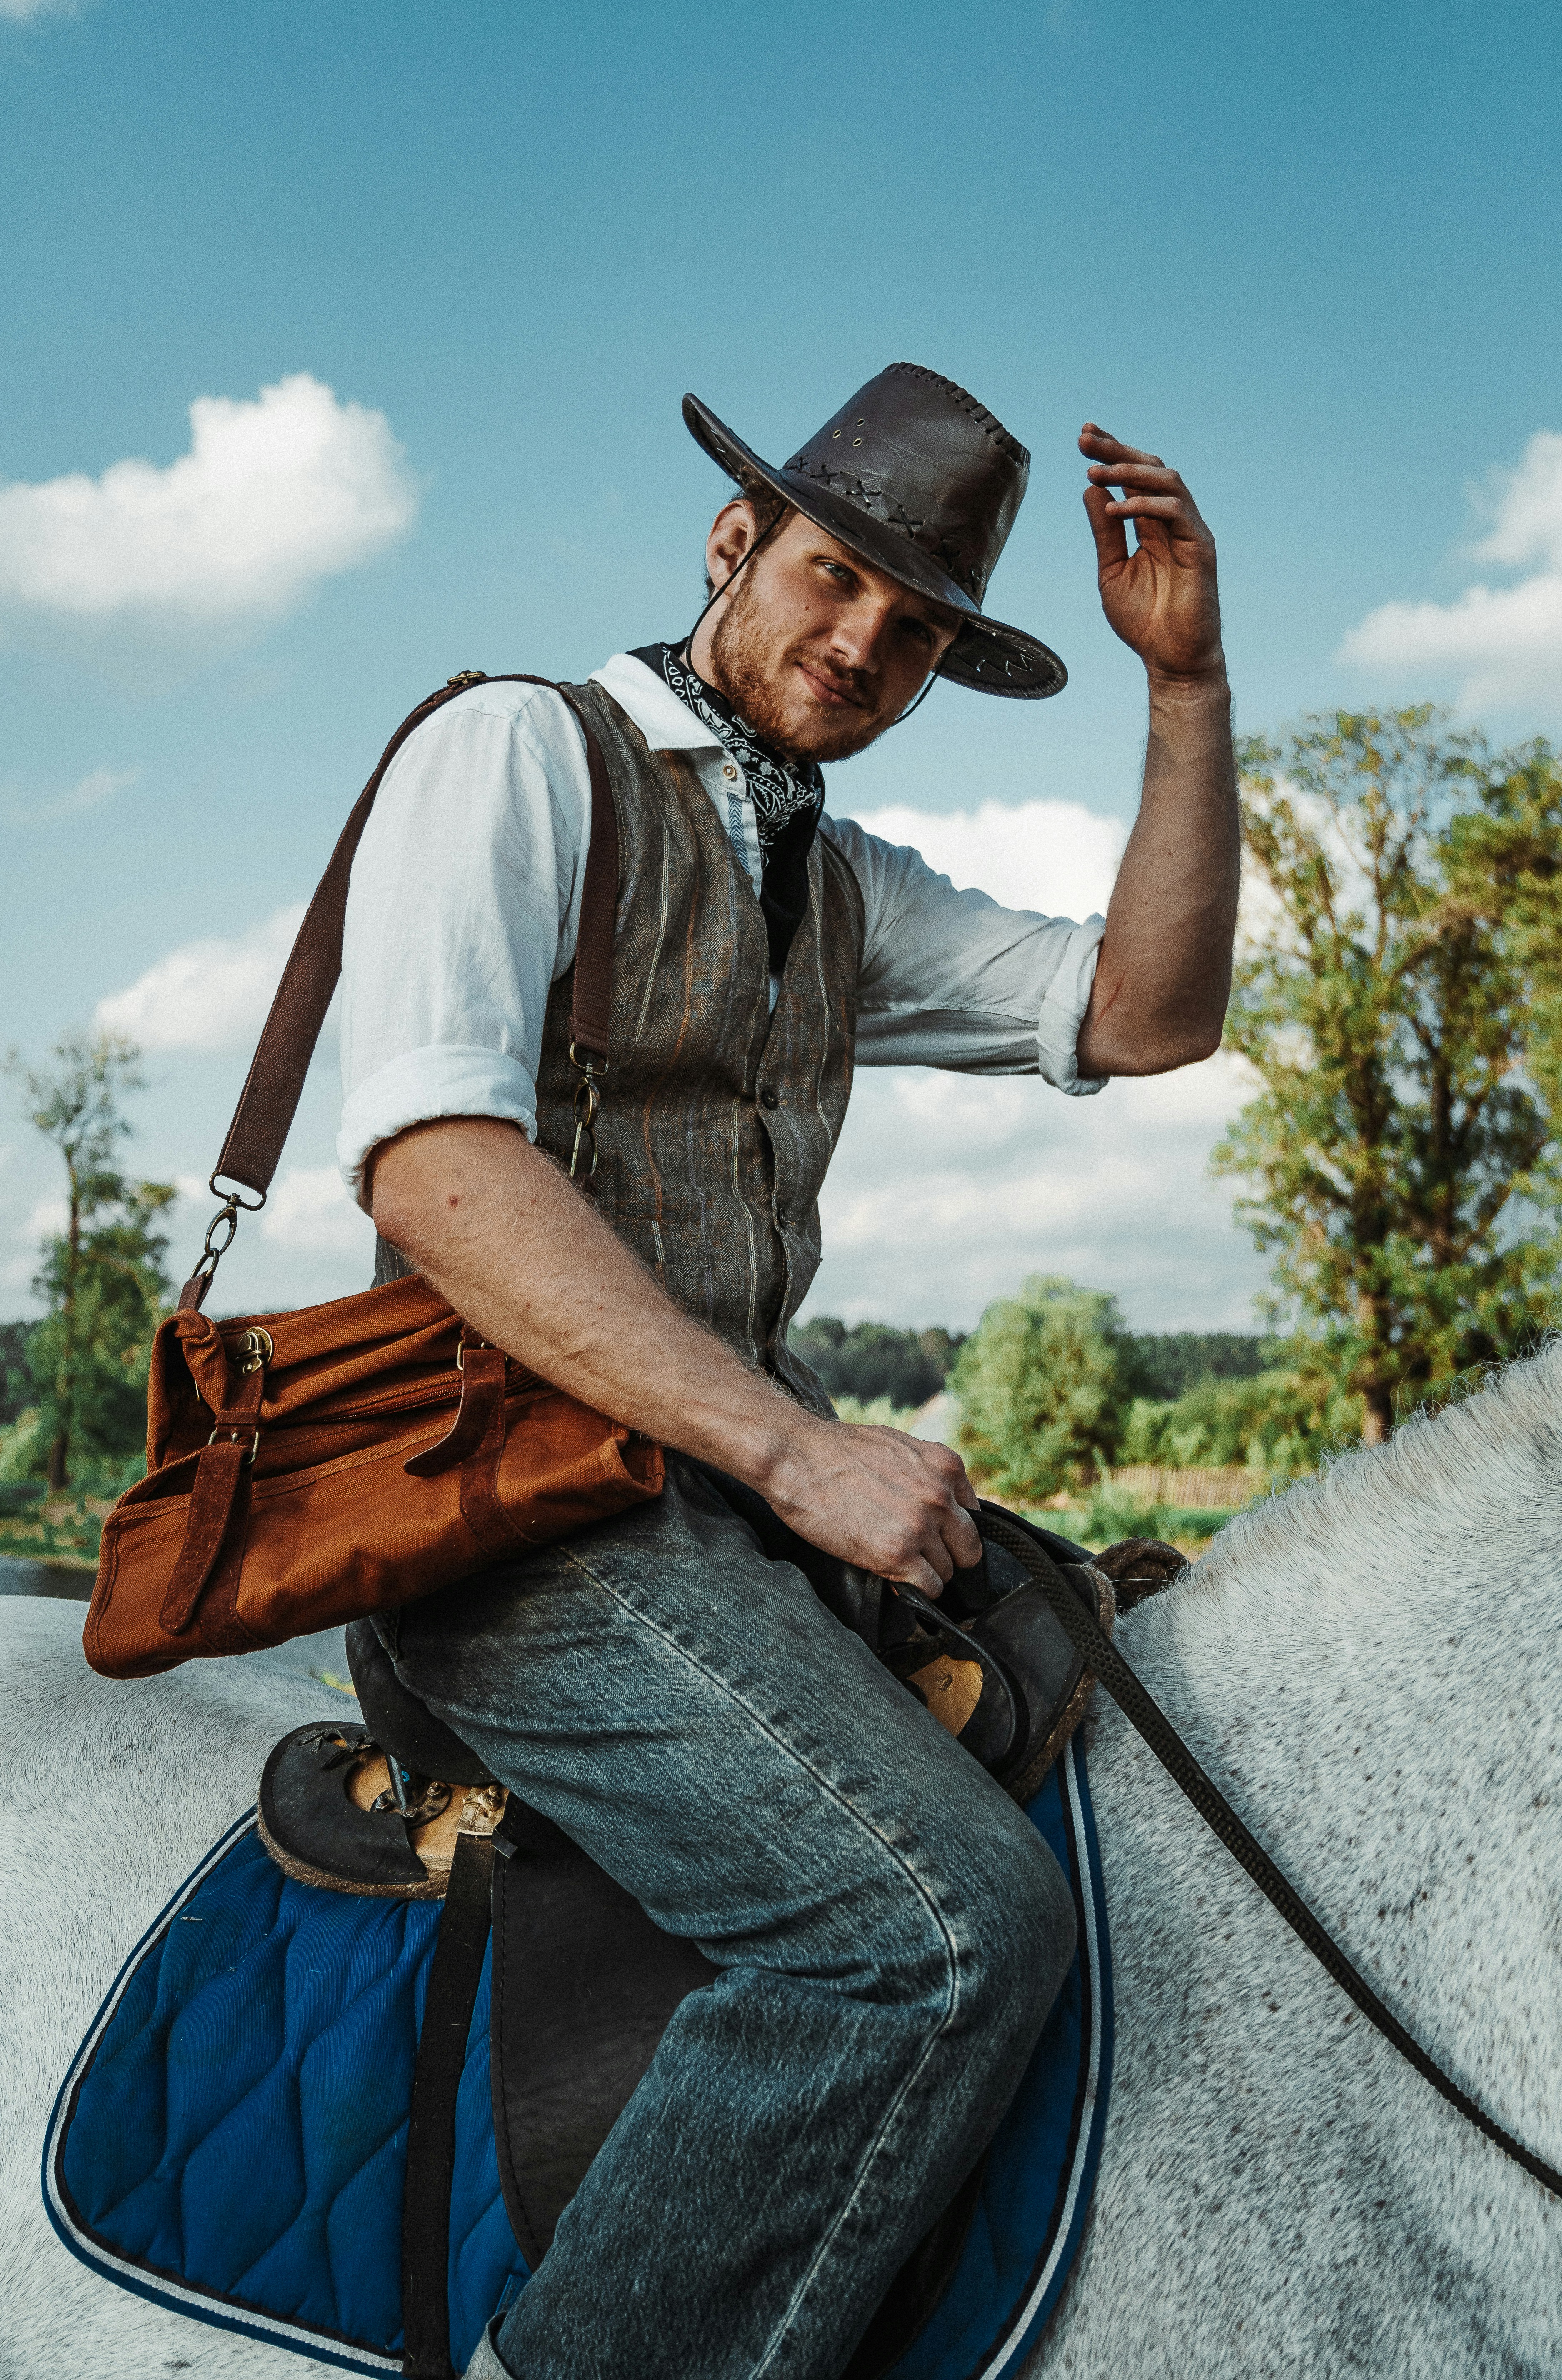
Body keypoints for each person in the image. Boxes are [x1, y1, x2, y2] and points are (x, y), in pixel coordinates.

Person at [339, 363, 1238, 2380]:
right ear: (735, 541)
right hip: (502, 1520)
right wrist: (793, 1447)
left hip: (717, 1525)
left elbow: (1147, 1009)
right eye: (836, 579)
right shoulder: (516, 752)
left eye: (914, 628)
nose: (863, 645)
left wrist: (1182, 693)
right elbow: (441, 1172)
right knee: (936, 1937)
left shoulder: (836, 877)